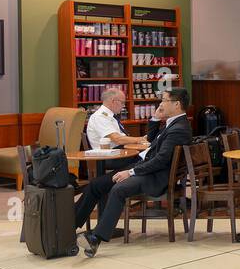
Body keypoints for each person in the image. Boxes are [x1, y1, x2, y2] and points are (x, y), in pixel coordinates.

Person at [76, 88, 193, 257]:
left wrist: (131, 172)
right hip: (147, 169)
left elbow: (160, 160)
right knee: (97, 184)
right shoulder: (173, 123)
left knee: (118, 189)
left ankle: (96, 238)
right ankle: (69, 227)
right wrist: (154, 118)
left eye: (165, 101)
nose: (161, 103)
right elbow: (152, 140)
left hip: (156, 177)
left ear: (176, 105)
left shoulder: (178, 128)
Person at [86, 87, 149, 156]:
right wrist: (140, 139)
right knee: (148, 157)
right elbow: (117, 139)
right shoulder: (100, 117)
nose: (123, 106)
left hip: (117, 152)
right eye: (122, 102)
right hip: (108, 157)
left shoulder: (110, 116)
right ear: (113, 101)